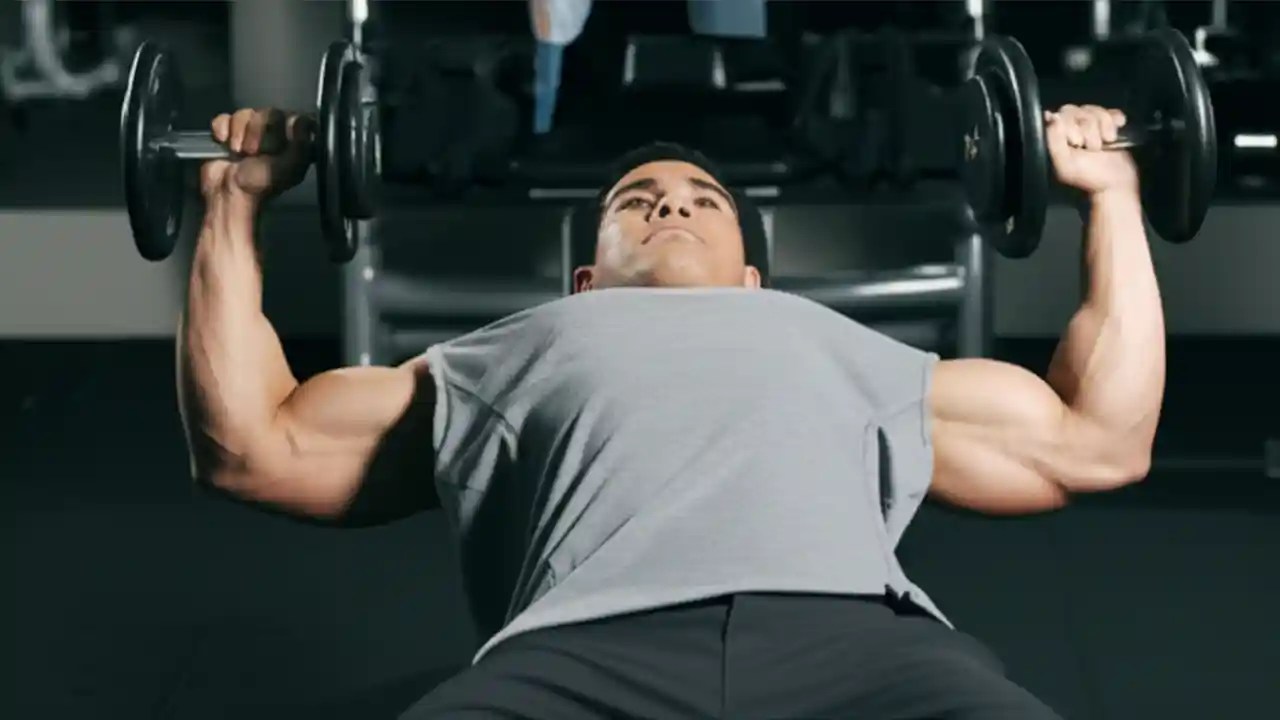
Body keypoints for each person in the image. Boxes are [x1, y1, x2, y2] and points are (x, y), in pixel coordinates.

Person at [179, 103, 1159, 719]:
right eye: (636, 199)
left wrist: (1110, 195)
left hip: (862, 652)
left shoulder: (832, 341)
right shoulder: (516, 346)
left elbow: (1097, 442)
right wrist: (231, 205)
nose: (671, 205)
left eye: (703, 199)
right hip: (576, 660)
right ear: (584, 278)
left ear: (753, 278)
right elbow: (253, 446)